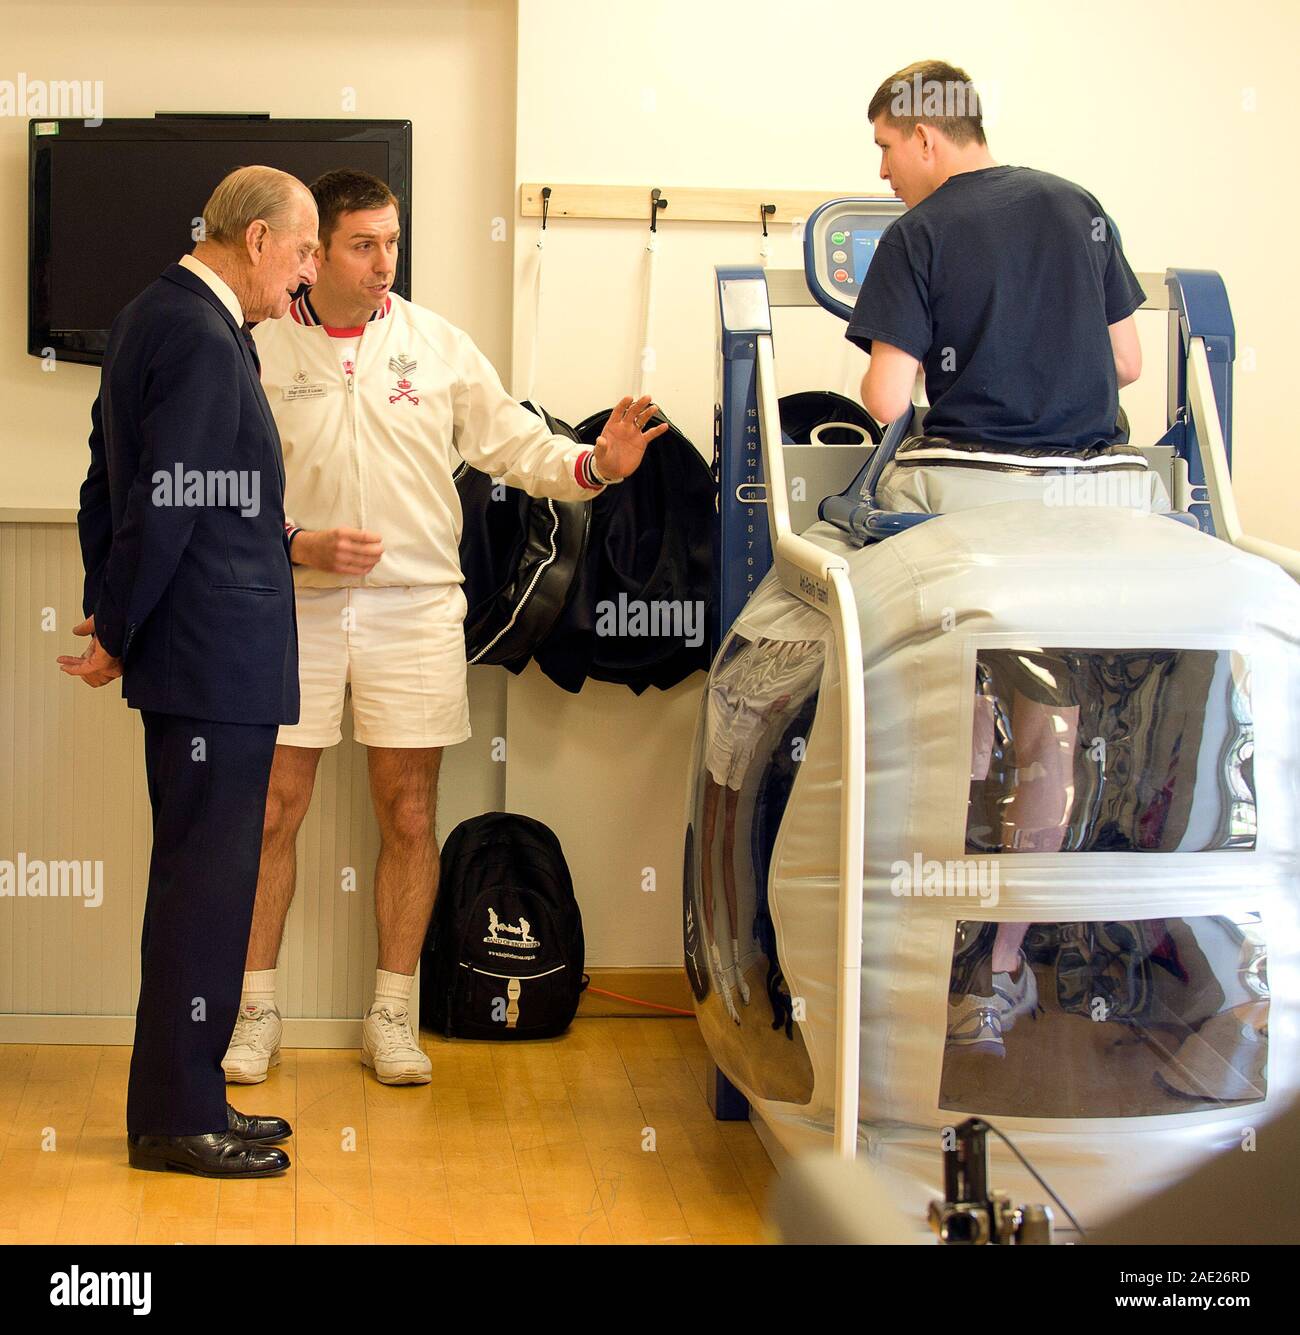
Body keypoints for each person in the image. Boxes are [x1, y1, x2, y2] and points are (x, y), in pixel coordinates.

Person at [222, 169, 668, 1085]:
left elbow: (520, 447)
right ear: (316, 253)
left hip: (415, 609)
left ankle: (392, 1014)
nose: (384, 261)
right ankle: (254, 1011)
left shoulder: (436, 345)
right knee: (270, 811)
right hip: (293, 607)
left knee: (410, 811)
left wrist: (598, 464)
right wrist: (298, 542)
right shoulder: (259, 346)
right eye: (362, 244)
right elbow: (225, 491)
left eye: (393, 241)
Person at [61, 166, 319, 1175]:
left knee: (197, 886)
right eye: (301, 252)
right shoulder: (205, 337)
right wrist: (119, 627)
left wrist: (111, 604)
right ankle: (179, 1119)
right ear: (254, 240)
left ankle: (187, 1094)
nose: (301, 277)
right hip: (214, 661)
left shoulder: (149, 316)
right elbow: (163, 501)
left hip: (196, 656)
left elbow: (101, 480)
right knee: (207, 892)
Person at [849, 59, 1158, 514]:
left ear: (922, 138)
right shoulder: (1077, 204)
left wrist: (892, 369)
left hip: (971, 490)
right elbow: (1127, 364)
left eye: (885, 147)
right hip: (1101, 492)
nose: (882, 169)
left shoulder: (915, 232)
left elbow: (887, 402)